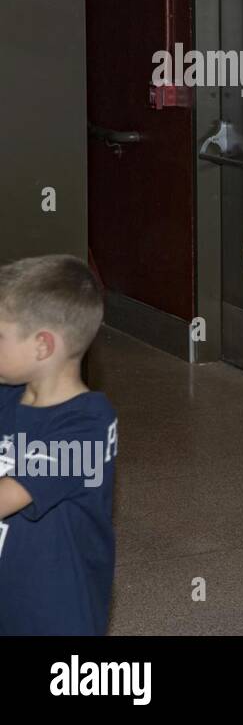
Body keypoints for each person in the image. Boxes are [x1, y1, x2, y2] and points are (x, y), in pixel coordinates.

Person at [0, 255, 115, 635]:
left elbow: (7, 497)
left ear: (42, 346)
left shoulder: (87, 429)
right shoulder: (10, 393)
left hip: (56, 614)